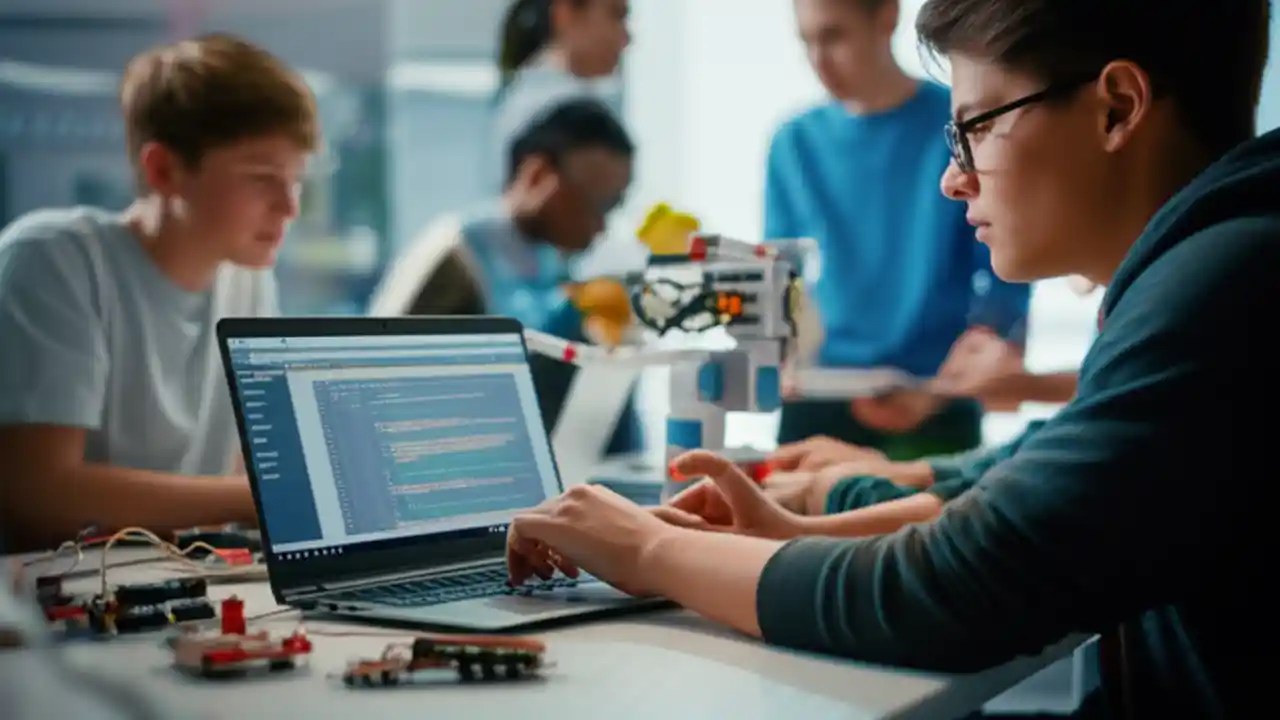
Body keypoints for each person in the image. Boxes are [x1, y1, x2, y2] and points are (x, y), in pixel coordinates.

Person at [505, 1, 1276, 716]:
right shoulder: (1213, 266)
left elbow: (952, 587)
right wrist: (783, 531)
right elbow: (1015, 481)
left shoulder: (1228, 284)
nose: (953, 178)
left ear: (1116, 108)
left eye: (977, 127)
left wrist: (650, 549)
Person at [0, 34, 317, 551]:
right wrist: (261, 499)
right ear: (163, 170)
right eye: (262, 178)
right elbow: (36, 490)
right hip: (65, 600)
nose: (290, 207)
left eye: (296, 180)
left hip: (185, 579)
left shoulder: (250, 280)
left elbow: (245, 470)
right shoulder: (54, 259)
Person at [765, 0, 1031, 460]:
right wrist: (780, 354)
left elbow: (1007, 268)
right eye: (806, 41)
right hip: (820, 395)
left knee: (937, 522)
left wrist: (974, 357)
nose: (819, 61)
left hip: (935, 394)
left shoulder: (955, 123)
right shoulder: (793, 143)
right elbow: (780, 275)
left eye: (834, 36)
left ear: (886, 16)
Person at [367, 98, 643, 455]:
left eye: (613, 207)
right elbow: (387, 397)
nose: (601, 226)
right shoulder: (456, 257)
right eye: (593, 204)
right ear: (537, 175)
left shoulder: (554, 267)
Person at [489, 0, 630, 193]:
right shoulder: (553, 107)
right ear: (565, 13)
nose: (626, 37)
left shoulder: (523, 94)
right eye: (616, 15)